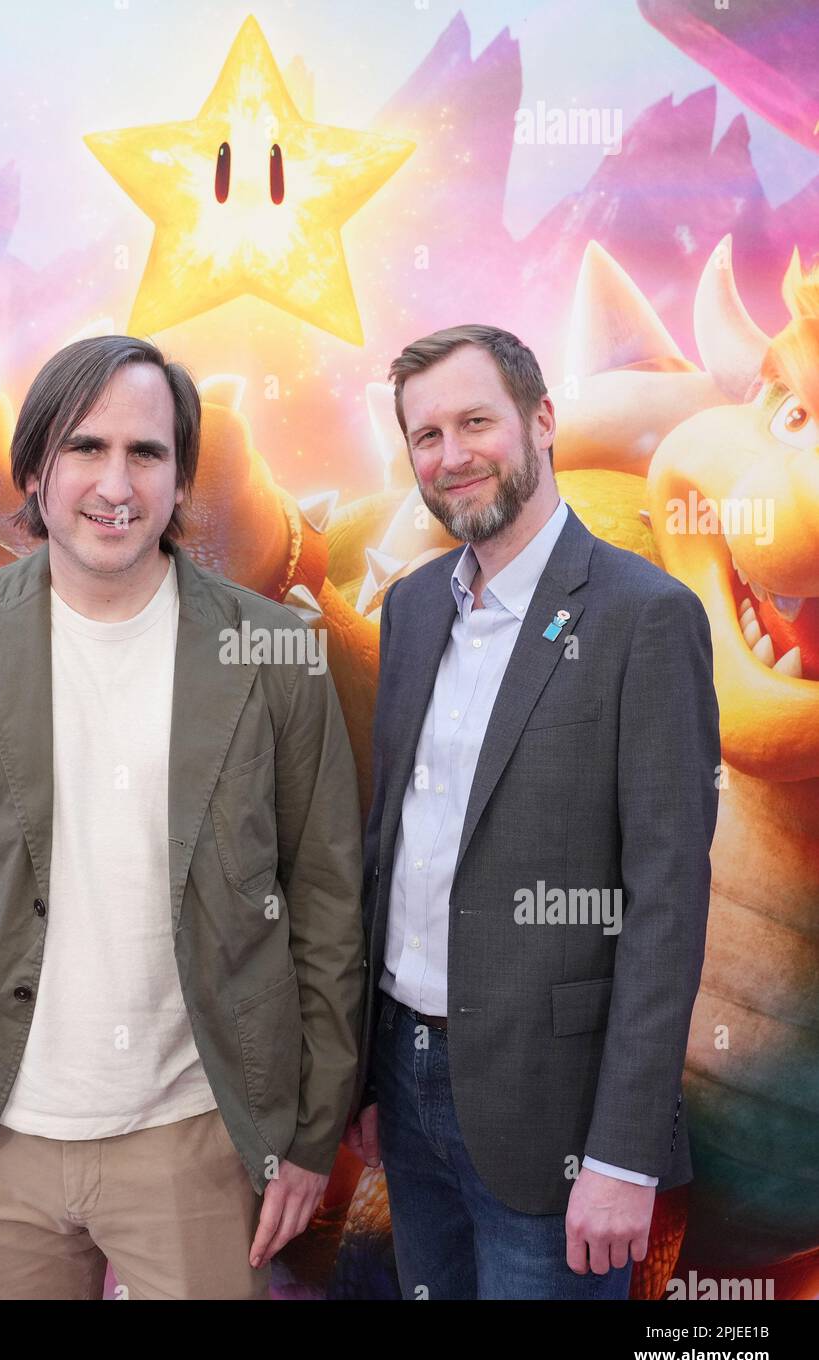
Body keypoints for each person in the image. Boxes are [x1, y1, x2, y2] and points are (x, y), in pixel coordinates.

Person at [0, 334, 364, 1300]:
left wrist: (310, 1132)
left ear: (180, 481)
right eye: (86, 449)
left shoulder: (275, 652)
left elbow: (327, 908)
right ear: (34, 468)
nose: (115, 484)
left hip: (199, 1143)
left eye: (146, 453)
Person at [343, 324, 720, 1300]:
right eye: (424, 435)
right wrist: (369, 1077)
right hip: (407, 1080)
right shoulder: (413, 606)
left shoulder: (644, 616)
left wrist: (622, 1156)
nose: (450, 455)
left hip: (557, 1121)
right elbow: (395, 845)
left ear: (540, 419)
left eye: (474, 421)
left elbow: (666, 904)